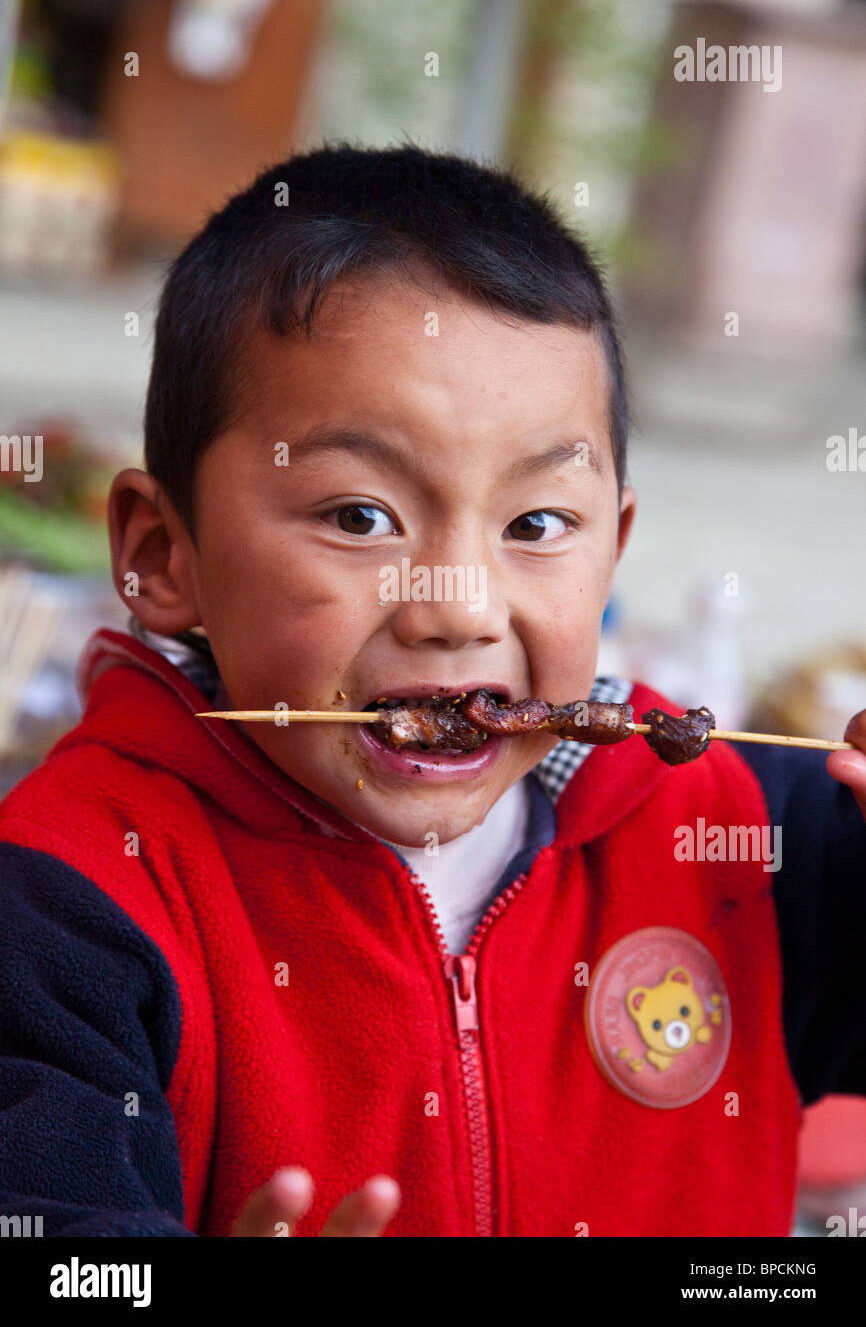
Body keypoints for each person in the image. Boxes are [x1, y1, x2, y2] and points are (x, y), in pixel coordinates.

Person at [1, 142, 864, 1237]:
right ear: (165, 554)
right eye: (359, 516)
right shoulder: (69, 901)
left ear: (614, 548)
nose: (457, 605)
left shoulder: (744, 839)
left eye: (535, 526)